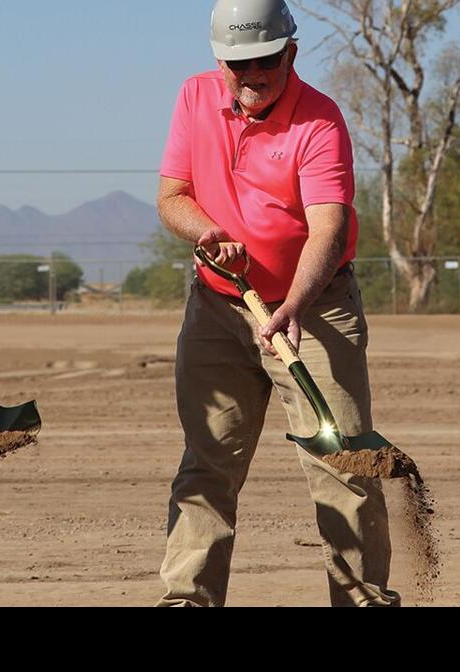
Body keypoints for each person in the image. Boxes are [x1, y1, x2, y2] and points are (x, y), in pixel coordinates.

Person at [154, 0, 399, 607]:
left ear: (291, 51)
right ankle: (188, 596)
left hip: (313, 309)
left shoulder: (319, 120)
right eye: (237, 64)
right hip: (218, 306)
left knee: (343, 462)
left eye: (265, 60)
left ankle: (360, 597)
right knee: (207, 462)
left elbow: (328, 230)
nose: (251, 75)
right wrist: (207, 233)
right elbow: (173, 195)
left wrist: (291, 305)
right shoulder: (193, 97)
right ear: (220, 60)